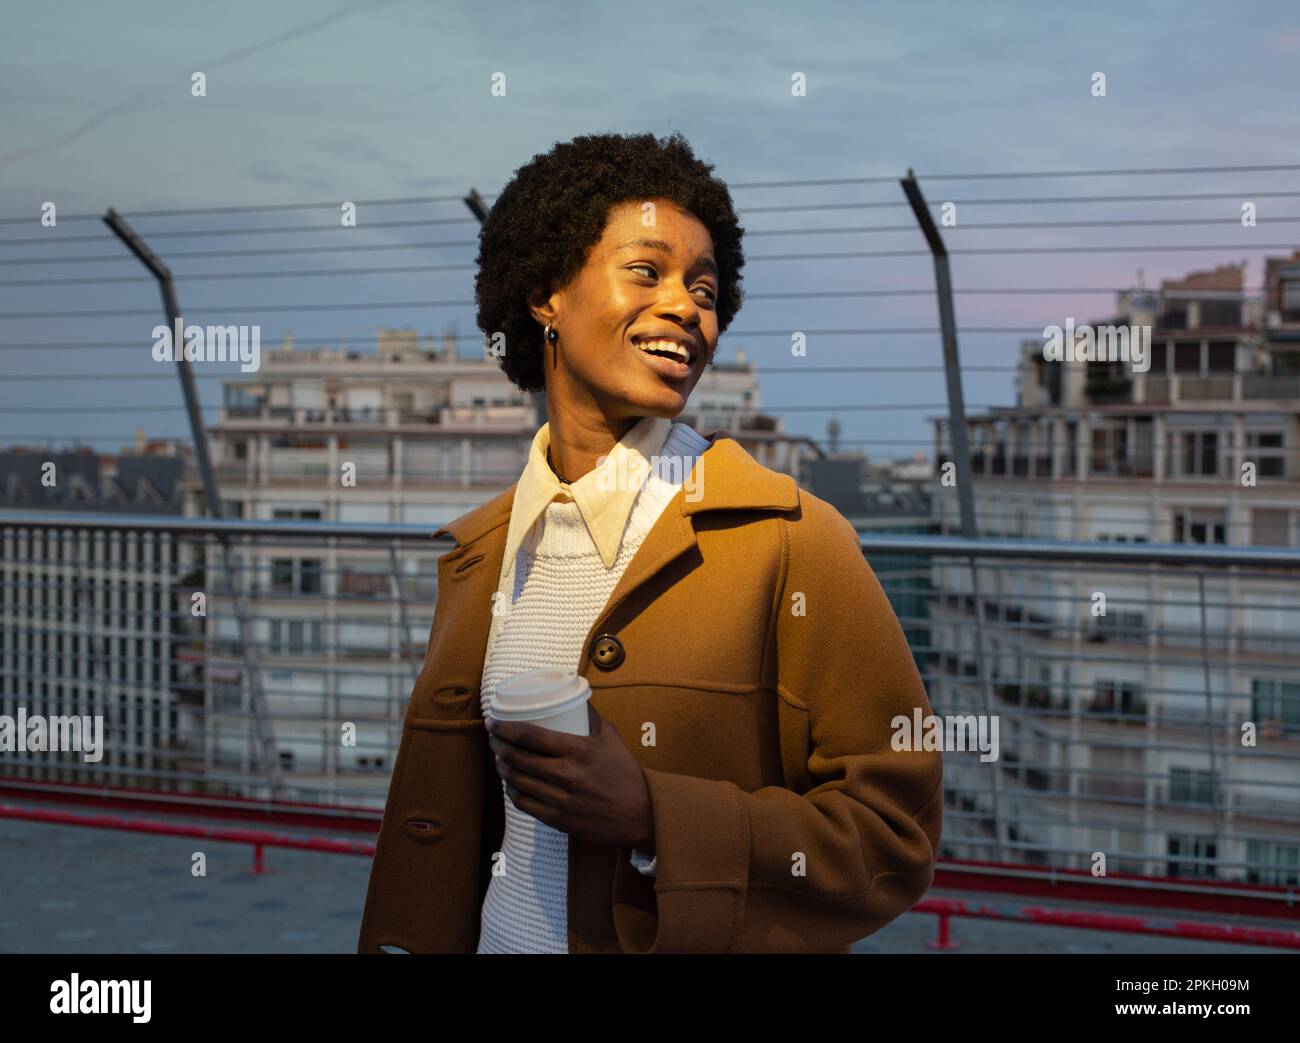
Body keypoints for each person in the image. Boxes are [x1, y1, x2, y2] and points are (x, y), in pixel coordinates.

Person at [357, 131, 942, 954]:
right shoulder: (481, 552)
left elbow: (893, 836)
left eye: (705, 289)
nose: (686, 307)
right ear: (544, 295)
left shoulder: (792, 540)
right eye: (647, 270)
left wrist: (653, 814)